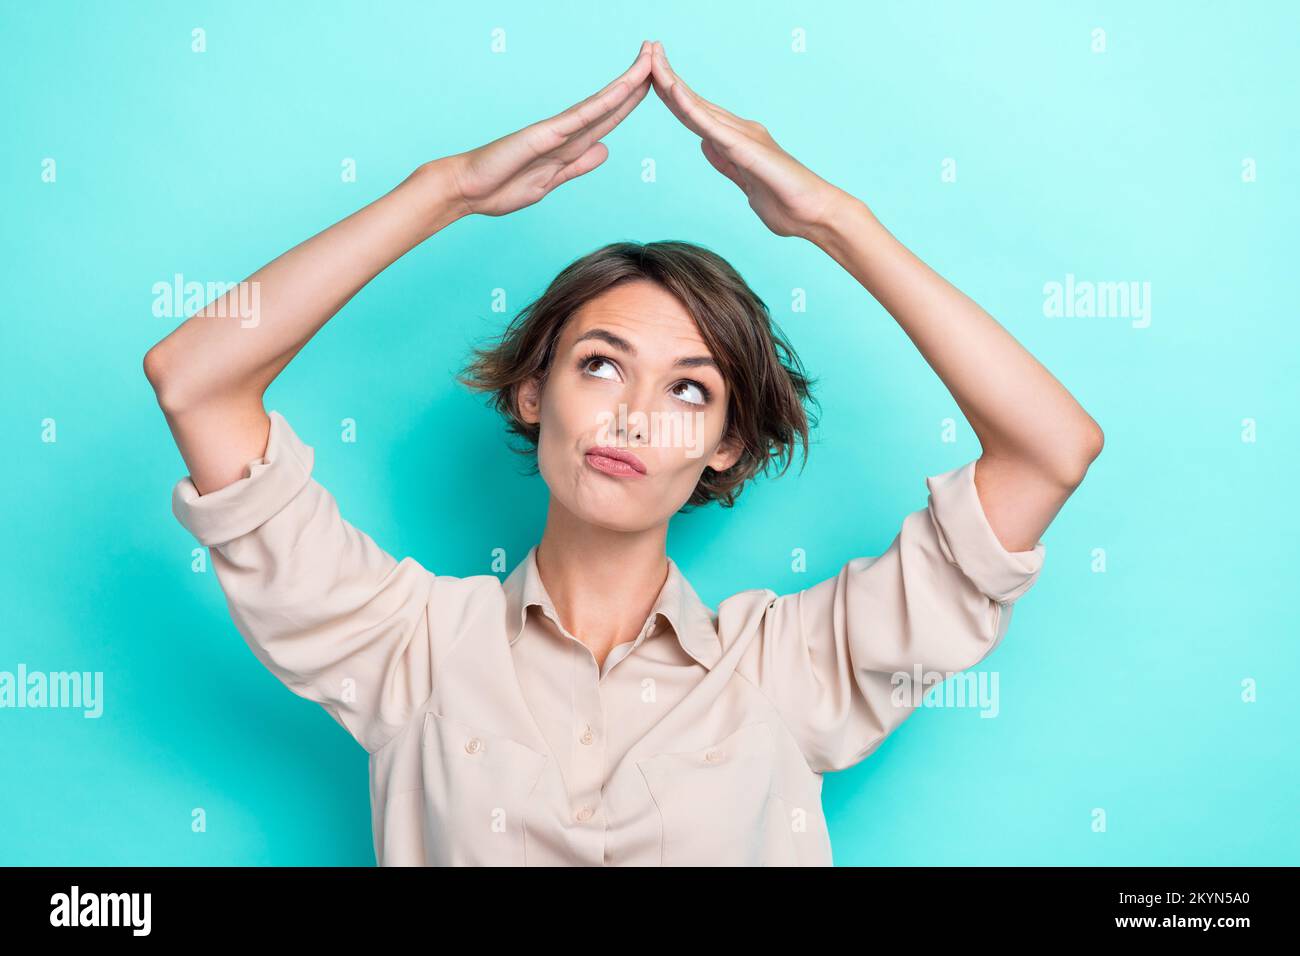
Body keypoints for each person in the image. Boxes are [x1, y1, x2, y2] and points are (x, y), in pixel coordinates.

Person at [144, 41, 1102, 866]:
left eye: (690, 388)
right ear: (533, 391)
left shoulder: (790, 670)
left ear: (727, 446)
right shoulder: (409, 648)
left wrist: (835, 223)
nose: (636, 416)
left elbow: (1051, 449)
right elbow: (195, 378)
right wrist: (447, 191)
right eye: (601, 365)